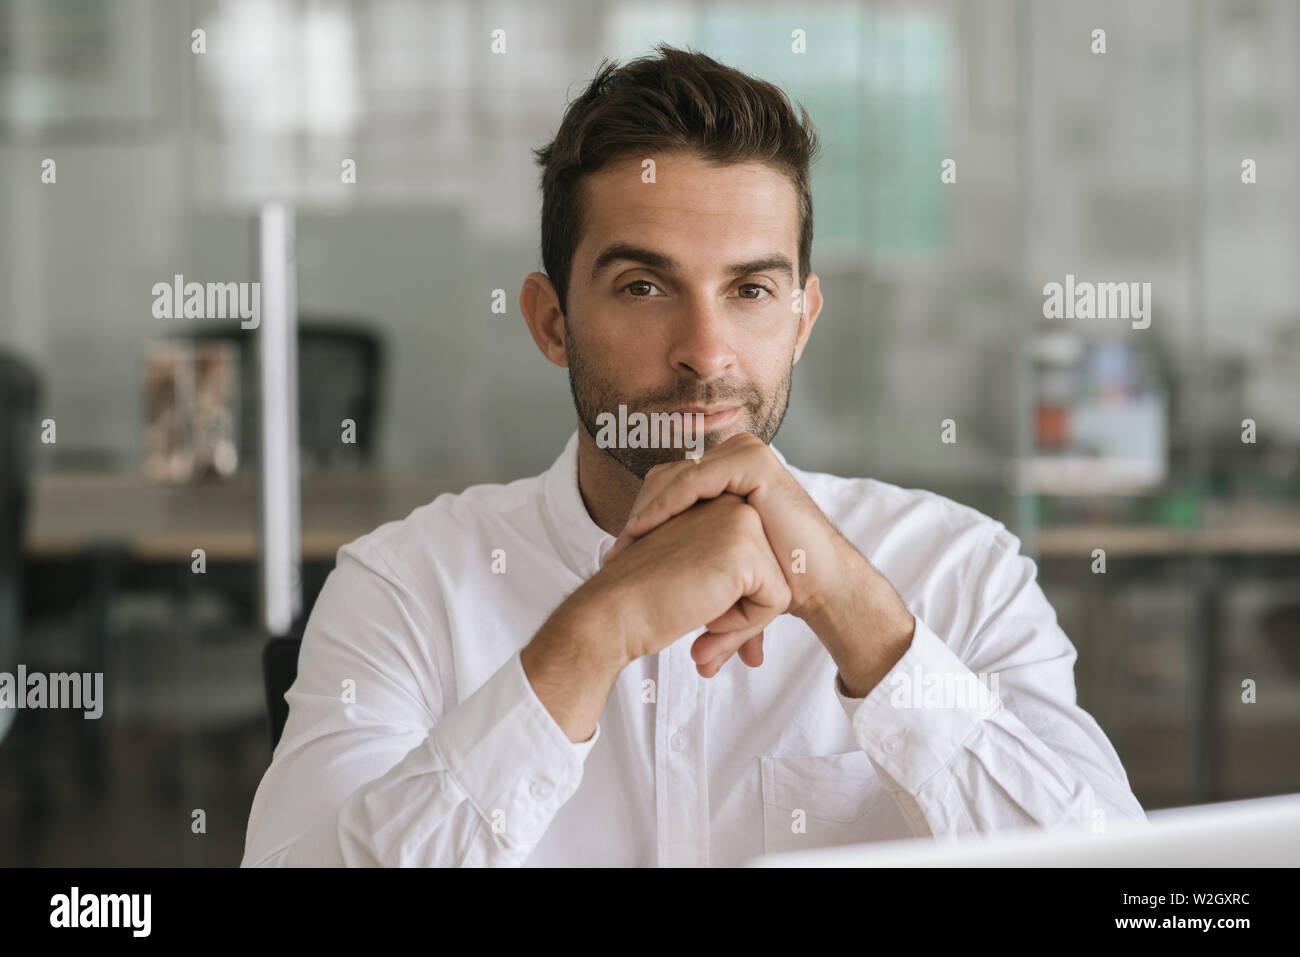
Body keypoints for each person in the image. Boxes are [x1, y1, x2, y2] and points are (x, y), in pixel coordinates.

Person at [242, 43, 1144, 867]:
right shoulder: (405, 587)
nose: (706, 352)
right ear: (552, 322)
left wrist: (853, 609)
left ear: (803, 321)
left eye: (751, 289)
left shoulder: (959, 572)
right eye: (644, 286)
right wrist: (590, 635)